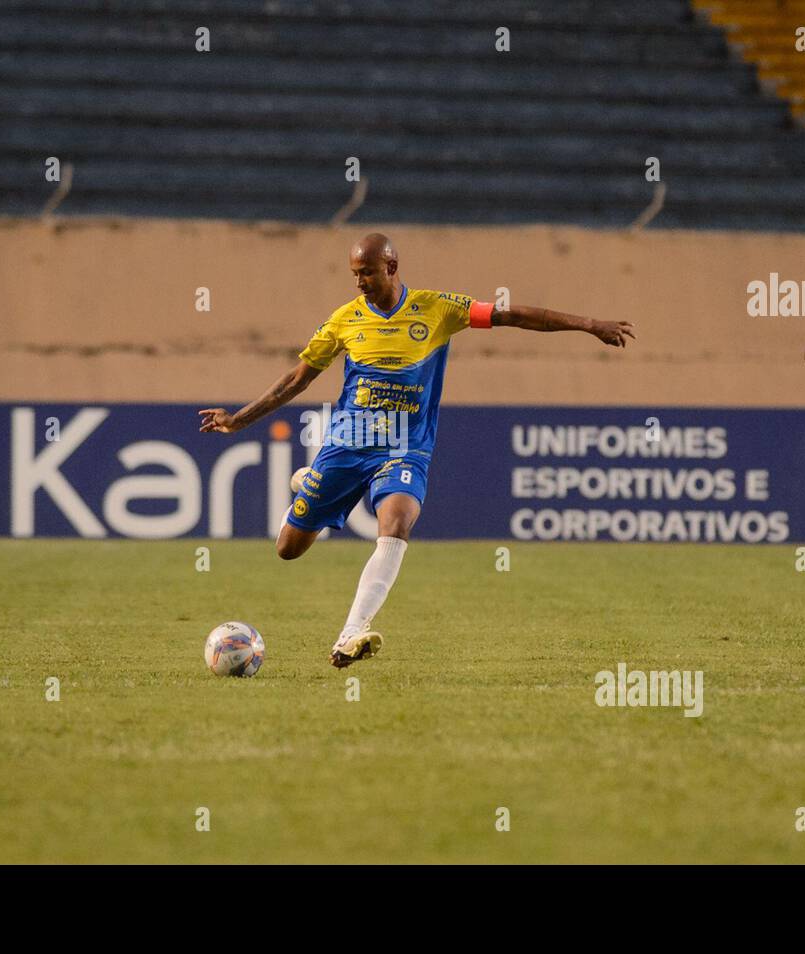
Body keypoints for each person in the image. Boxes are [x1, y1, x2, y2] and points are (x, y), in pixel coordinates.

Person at [200, 233, 635, 667]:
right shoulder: (343, 321)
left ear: (391, 267)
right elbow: (297, 379)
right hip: (348, 443)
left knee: (397, 521)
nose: (360, 283)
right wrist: (240, 419)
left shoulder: (438, 308)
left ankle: (349, 634)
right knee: (288, 550)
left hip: (405, 448)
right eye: (355, 275)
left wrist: (589, 324)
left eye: (367, 273)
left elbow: (513, 315)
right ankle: (306, 484)